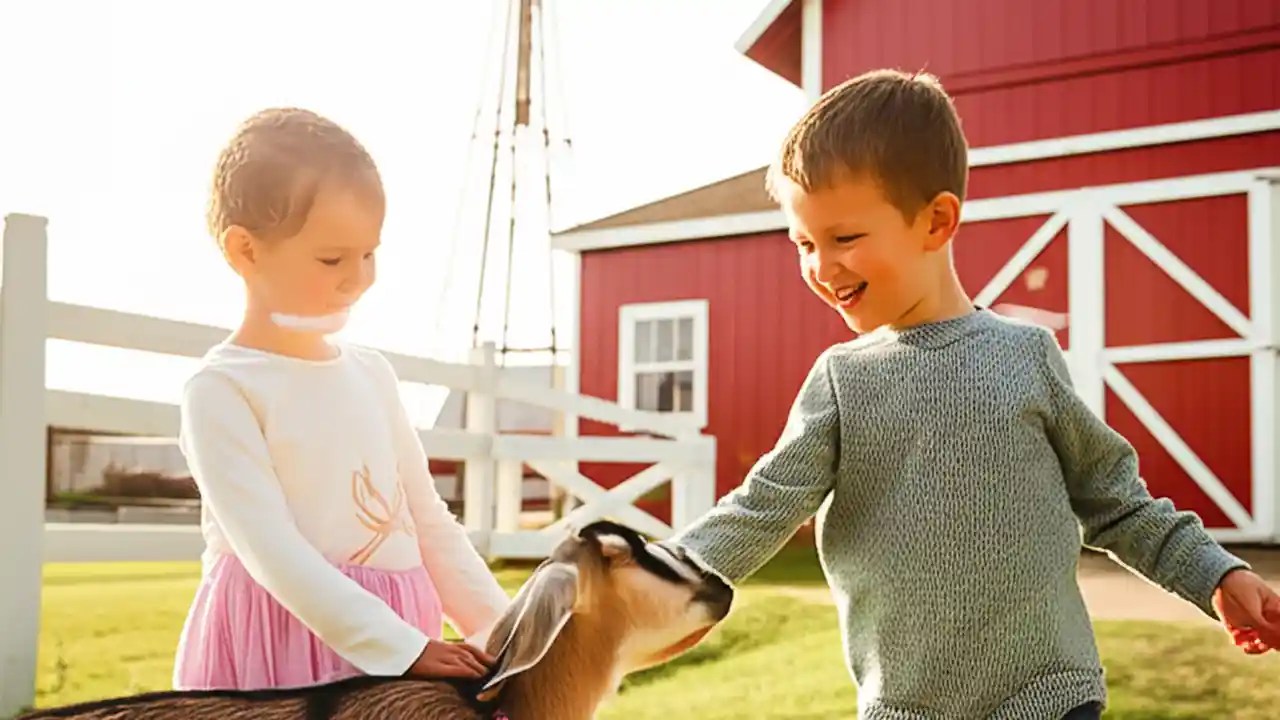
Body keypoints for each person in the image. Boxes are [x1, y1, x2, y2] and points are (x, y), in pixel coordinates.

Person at [669, 69, 1280, 719]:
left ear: (936, 221)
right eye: (804, 244)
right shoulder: (841, 382)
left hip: (1050, 695)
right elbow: (764, 505)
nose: (822, 267)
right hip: (907, 706)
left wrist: (1216, 573)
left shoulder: (1026, 357)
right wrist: (670, 579)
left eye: (844, 238)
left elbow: (1117, 503)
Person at [172, 107, 510, 691]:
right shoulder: (223, 390)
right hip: (283, 647)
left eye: (369, 253)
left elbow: (427, 521)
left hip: (402, 633)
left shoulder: (371, 375)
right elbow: (270, 550)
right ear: (245, 250)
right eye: (333, 258)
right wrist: (398, 646)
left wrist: (508, 633)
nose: (359, 277)